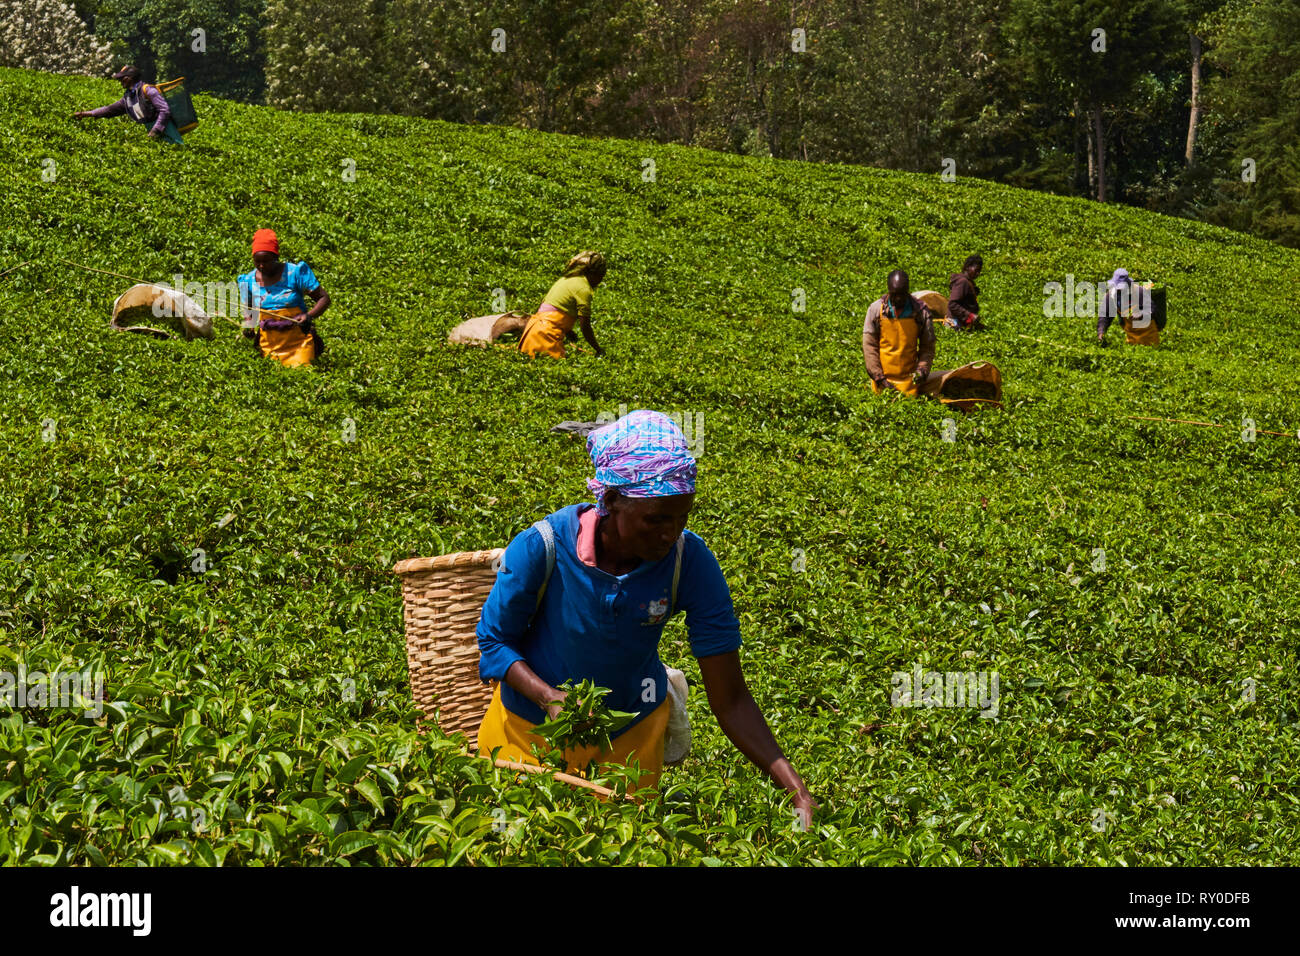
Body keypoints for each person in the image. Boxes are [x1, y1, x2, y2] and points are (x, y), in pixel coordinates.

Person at [475, 410, 816, 827]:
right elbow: (493, 642)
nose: (669, 534)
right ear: (612, 500)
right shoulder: (541, 547)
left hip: (629, 739)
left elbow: (731, 698)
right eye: (655, 519)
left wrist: (795, 788)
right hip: (526, 736)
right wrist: (549, 697)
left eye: (681, 518)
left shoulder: (688, 562)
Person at [236, 229, 331, 367]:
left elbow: (324, 298)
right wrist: (249, 326)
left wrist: (308, 316)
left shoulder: (295, 273)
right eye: (257, 261)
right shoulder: (248, 281)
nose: (261, 266)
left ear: (276, 257)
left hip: (299, 342)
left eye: (266, 261)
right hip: (268, 344)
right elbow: (249, 309)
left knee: (303, 373)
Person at [863, 269, 950, 397]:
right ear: (888, 290)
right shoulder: (876, 309)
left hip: (908, 380)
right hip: (882, 380)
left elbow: (928, 346)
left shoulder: (920, 311)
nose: (898, 298)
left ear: (908, 290)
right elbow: (869, 345)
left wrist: (922, 370)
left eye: (902, 294)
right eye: (894, 294)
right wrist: (878, 376)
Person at [518, 251, 606, 359]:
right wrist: (598, 349)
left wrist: (568, 331)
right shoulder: (583, 289)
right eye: (601, 276)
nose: (600, 281)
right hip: (545, 336)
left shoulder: (567, 278)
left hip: (532, 331)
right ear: (594, 274)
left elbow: (554, 308)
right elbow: (585, 326)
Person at [72, 66, 184, 144]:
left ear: (129, 78)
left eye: (122, 79)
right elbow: (110, 109)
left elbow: (165, 110)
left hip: (165, 126)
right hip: (150, 128)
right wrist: (86, 114)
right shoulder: (129, 97)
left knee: (176, 152)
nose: (121, 81)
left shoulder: (148, 90)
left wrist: (156, 130)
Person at [1098, 268, 1164, 346]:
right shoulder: (1111, 295)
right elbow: (1105, 315)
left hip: (1148, 334)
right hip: (1131, 336)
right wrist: (1101, 332)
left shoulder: (1139, 291)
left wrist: (1141, 314)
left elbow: (1152, 309)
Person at [946, 255, 985, 331]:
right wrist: (970, 316)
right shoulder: (962, 282)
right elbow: (952, 304)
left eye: (979, 271)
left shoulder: (968, 282)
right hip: (954, 324)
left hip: (962, 323)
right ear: (967, 267)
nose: (978, 274)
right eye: (976, 270)